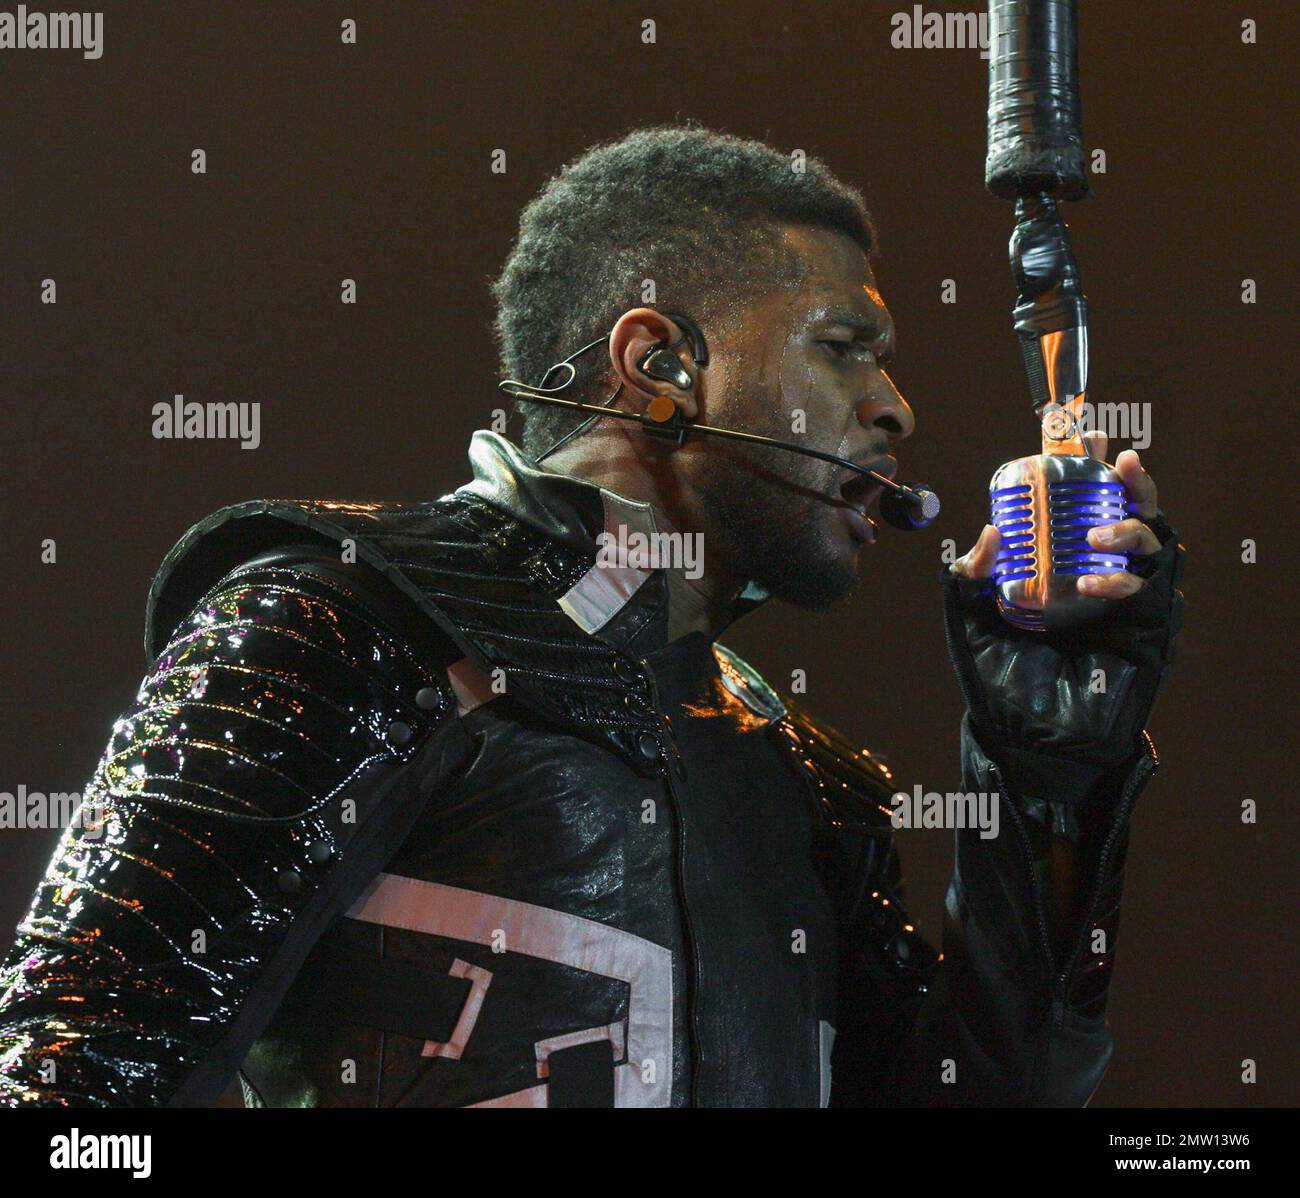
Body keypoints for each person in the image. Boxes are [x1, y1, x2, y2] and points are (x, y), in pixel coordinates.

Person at [0, 125, 1184, 1107]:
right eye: (844, 349)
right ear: (658, 360)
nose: (895, 408)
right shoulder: (343, 625)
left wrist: (1046, 783)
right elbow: (69, 1089)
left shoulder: (810, 782)